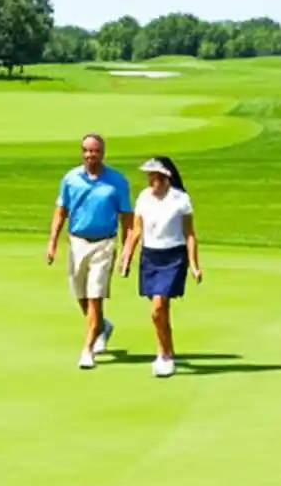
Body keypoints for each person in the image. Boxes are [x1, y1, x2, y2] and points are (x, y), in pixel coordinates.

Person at [46, 133, 134, 369]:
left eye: (94, 151)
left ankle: (87, 350)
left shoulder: (117, 181)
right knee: (80, 294)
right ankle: (102, 326)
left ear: (102, 153)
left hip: (103, 244)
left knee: (95, 296)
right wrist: (52, 241)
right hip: (77, 242)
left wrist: (127, 252)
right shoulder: (71, 178)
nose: (90, 155)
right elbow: (61, 210)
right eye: (86, 150)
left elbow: (127, 219)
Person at [117, 156, 203, 378]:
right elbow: (136, 231)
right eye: (149, 176)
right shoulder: (144, 198)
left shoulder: (180, 199)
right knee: (160, 312)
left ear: (166, 177)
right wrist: (126, 257)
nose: (150, 181)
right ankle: (166, 351)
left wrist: (194, 265)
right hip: (150, 256)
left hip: (173, 256)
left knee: (158, 307)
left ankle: (164, 356)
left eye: (154, 176)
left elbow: (189, 234)